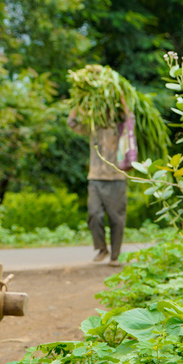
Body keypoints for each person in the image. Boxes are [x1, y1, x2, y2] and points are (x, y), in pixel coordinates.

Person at [67, 105, 133, 267]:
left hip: (116, 178)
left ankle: (115, 255)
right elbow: (72, 123)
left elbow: (131, 119)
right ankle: (102, 249)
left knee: (116, 218)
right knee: (94, 213)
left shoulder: (121, 128)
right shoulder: (93, 128)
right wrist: (78, 103)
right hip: (95, 178)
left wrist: (122, 100)